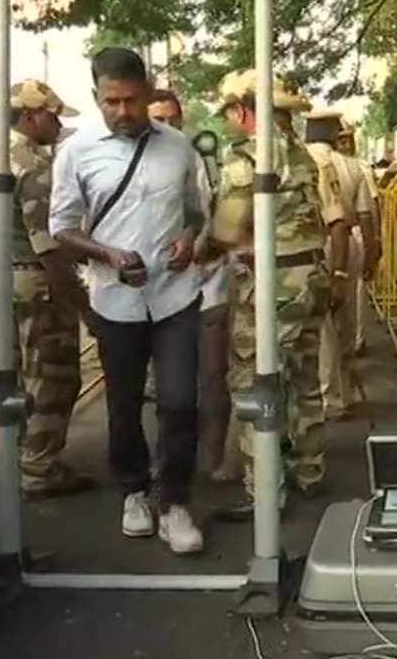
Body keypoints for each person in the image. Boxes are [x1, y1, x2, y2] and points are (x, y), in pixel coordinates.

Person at [49, 48, 206, 555]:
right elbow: (61, 227)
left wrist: (189, 237)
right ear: (96, 96)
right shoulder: (76, 152)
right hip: (115, 300)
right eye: (111, 102)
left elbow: (197, 210)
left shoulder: (179, 147)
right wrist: (109, 254)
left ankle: (175, 501)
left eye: (132, 101)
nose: (122, 111)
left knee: (179, 402)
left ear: (148, 92)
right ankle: (134, 491)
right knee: (123, 403)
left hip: (175, 295)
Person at [209, 69, 346, 508]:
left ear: (243, 110)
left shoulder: (247, 157)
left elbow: (227, 229)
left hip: (274, 283)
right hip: (313, 275)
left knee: (255, 381)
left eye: (229, 112)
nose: (228, 120)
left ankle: (264, 489)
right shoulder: (306, 155)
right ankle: (309, 469)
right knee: (305, 378)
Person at [0, 80, 93, 500]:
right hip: (37, 282)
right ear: (29, 116)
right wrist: (82, 304)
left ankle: (18, 458)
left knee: (15, 374)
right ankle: (39, 468)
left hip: (1, 280)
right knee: (53, 375)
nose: (57, 124)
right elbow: (50, 246)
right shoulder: (33, 165)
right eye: (52, 115)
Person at [146, 89, 230, 480]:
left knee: (213, 376)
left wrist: (208, 252)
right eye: (158, 119)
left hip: (208, 283)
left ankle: (213, 460)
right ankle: (169, 460)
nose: (167, 126)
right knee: (170, 387)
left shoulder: (204, 161)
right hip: (155, 292)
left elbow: (223, 218)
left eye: (172, 118)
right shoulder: (132, 164)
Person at [307, 110, 369, 420]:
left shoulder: (302, 160)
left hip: (316, 244)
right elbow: (366, 213)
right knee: (345, 319)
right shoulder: (353, 165)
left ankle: (329, 396)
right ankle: (346, 389)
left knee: (322, 327)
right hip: (349, 243)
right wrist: (371, 252)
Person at [337, 119, 382, 355]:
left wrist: (375, 240)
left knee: (358, 289)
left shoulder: (362, 167)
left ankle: (358, 339)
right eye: (341, 140)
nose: (346, 145)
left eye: (349, 140)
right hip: (341, 232)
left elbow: (373, 206)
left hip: (356, 231)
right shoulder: (332, 165)